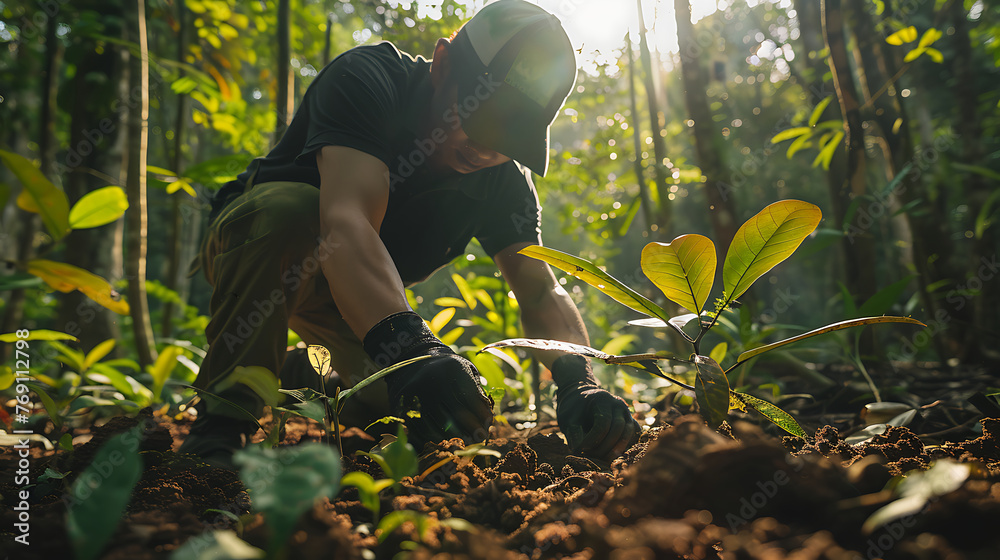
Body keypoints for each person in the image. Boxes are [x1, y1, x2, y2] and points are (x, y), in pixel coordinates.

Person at [178, 0, 640, 468]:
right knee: (294, 212)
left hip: (354, 302)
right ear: (442, 63)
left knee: (432, 406)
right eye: (480, 119)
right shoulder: (371, 81)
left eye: (510, 135)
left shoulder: (504, 183)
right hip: (265, 250)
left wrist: (579, 379)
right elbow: (346, 222)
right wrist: (414, 346)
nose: (485, 149)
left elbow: (540, 289)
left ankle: (305, 373)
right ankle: (222, 422)